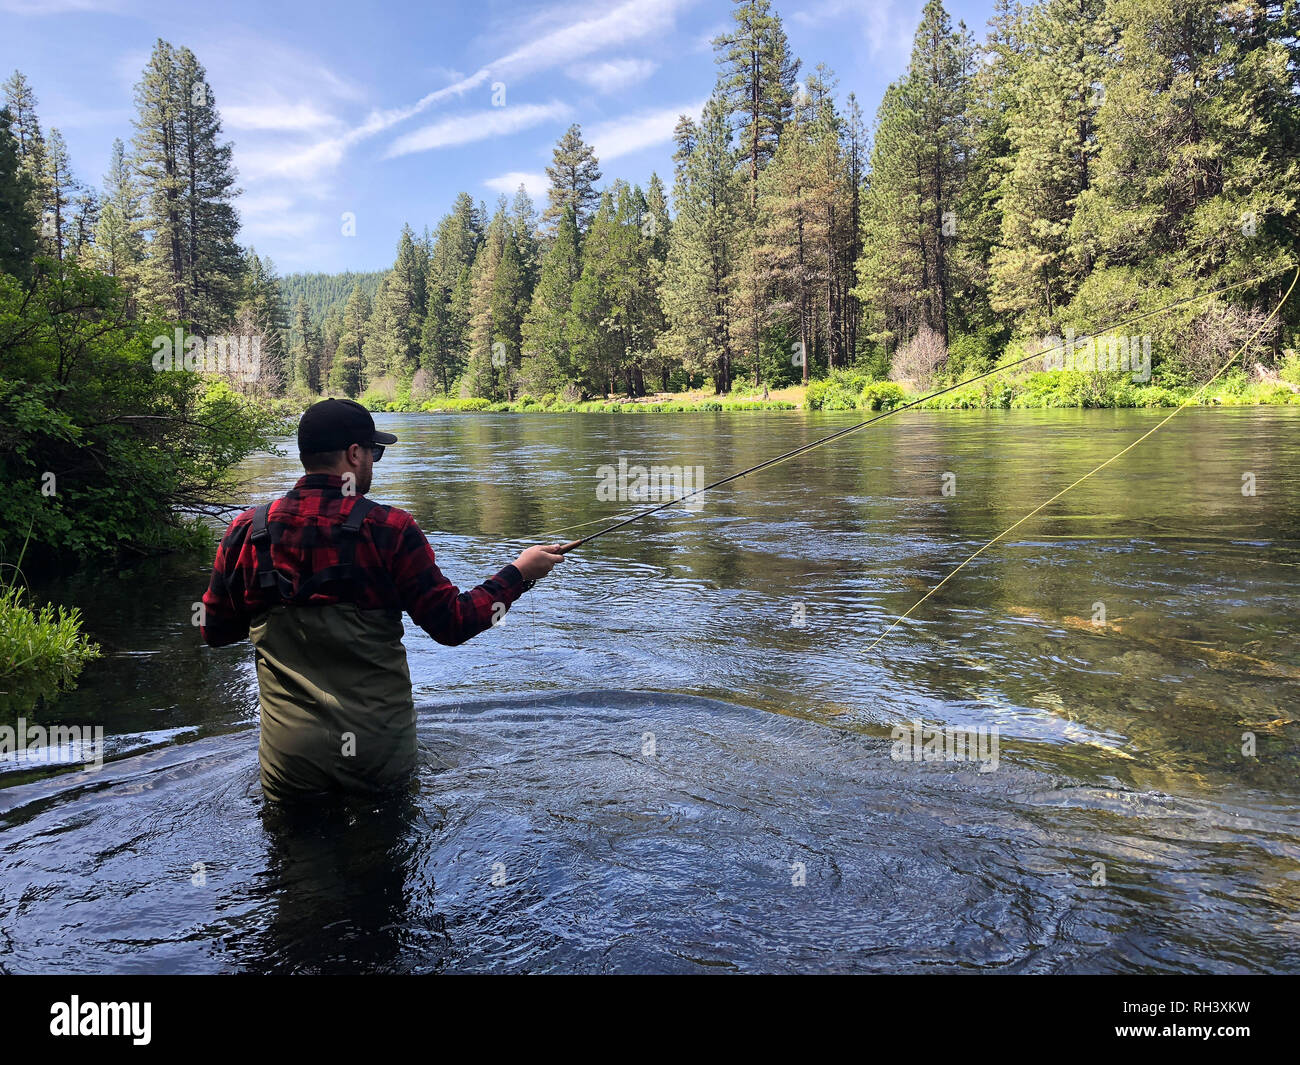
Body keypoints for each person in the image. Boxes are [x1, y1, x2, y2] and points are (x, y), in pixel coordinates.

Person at [200, 397, 564, 802]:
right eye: (374, 452)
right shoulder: (389, 528)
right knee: (386, 855)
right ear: (354, 454)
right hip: (377, 754)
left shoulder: (247, 529)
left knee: (293, 860)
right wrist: (519, 573)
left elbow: (212, 630)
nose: (374, 461)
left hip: (291, 758)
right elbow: (453, 623)